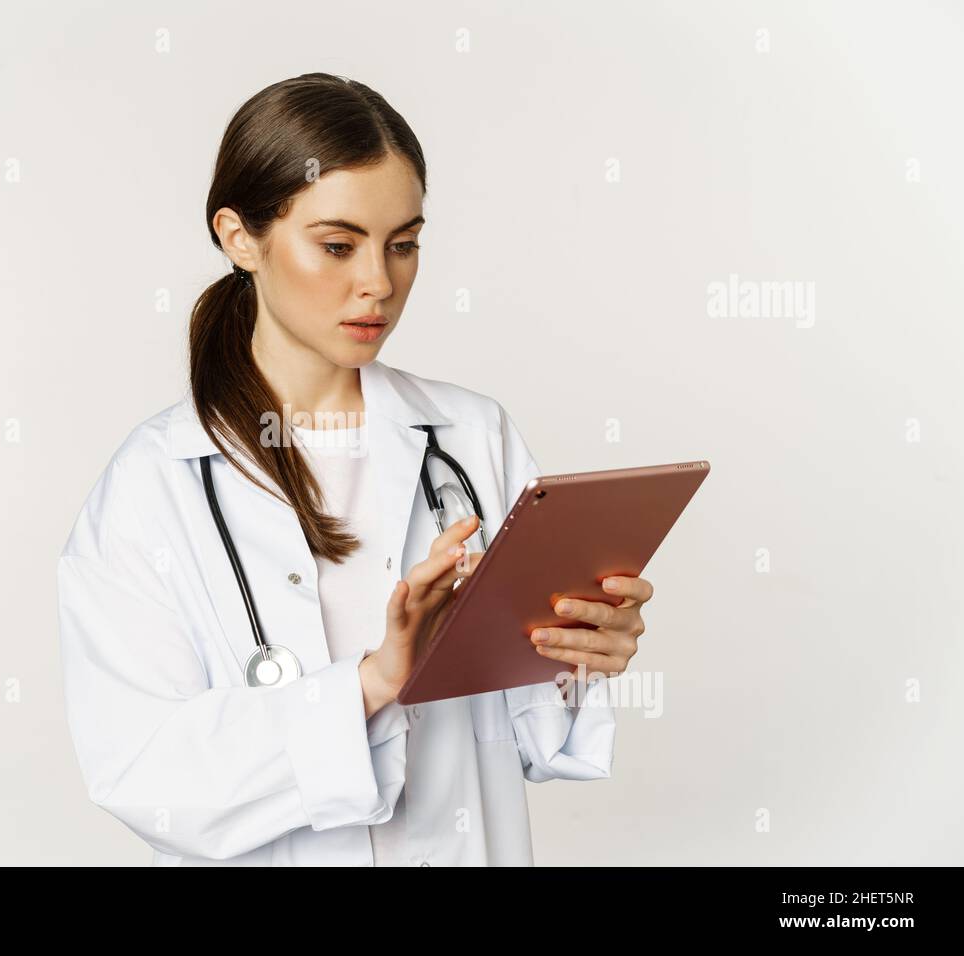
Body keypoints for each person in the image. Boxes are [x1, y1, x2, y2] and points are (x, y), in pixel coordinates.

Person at [57, 73, 653, 866]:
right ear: (240, 237)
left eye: (403, 244)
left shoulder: (473, 437)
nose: (378, 281)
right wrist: (372, 681)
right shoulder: (154, 483)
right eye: (338, 246)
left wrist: (575, 656)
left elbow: (532, 741)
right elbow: (142, 773)